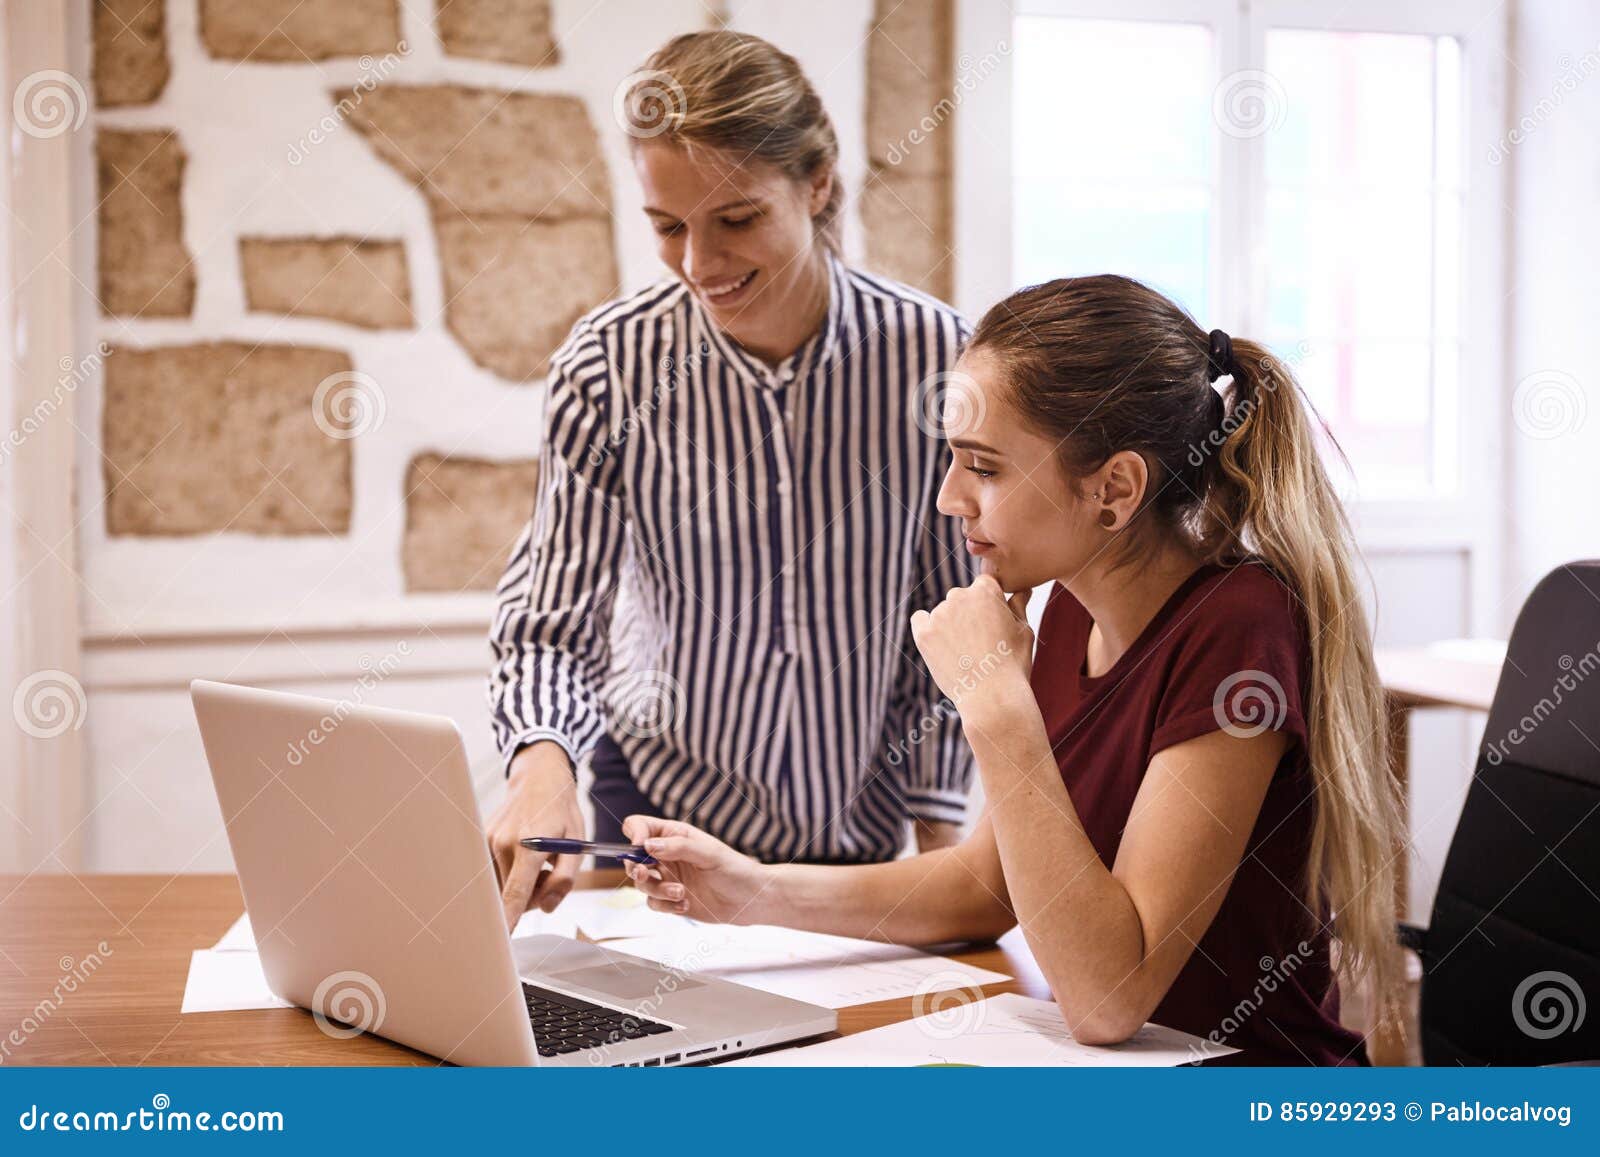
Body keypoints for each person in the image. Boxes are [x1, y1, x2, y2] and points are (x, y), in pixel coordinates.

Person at [620, 275, 1407, 1065]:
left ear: (1115, 489)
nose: (947, 497)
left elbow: (1108, 994)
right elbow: (983, 883)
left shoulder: (1239, 628)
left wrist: (994, 707)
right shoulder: (1069, 606)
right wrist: (749, 888)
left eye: (985, 468)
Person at [485, 30, 976, 931]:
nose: (700, 264)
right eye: (669, 227)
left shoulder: (936, 359)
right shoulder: (609, 367)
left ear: (817, 182)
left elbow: (953, 620)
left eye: (738, 218)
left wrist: (948, 859)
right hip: (652, 824)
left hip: (854, 839)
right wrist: (541, 765)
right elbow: (554, 619)